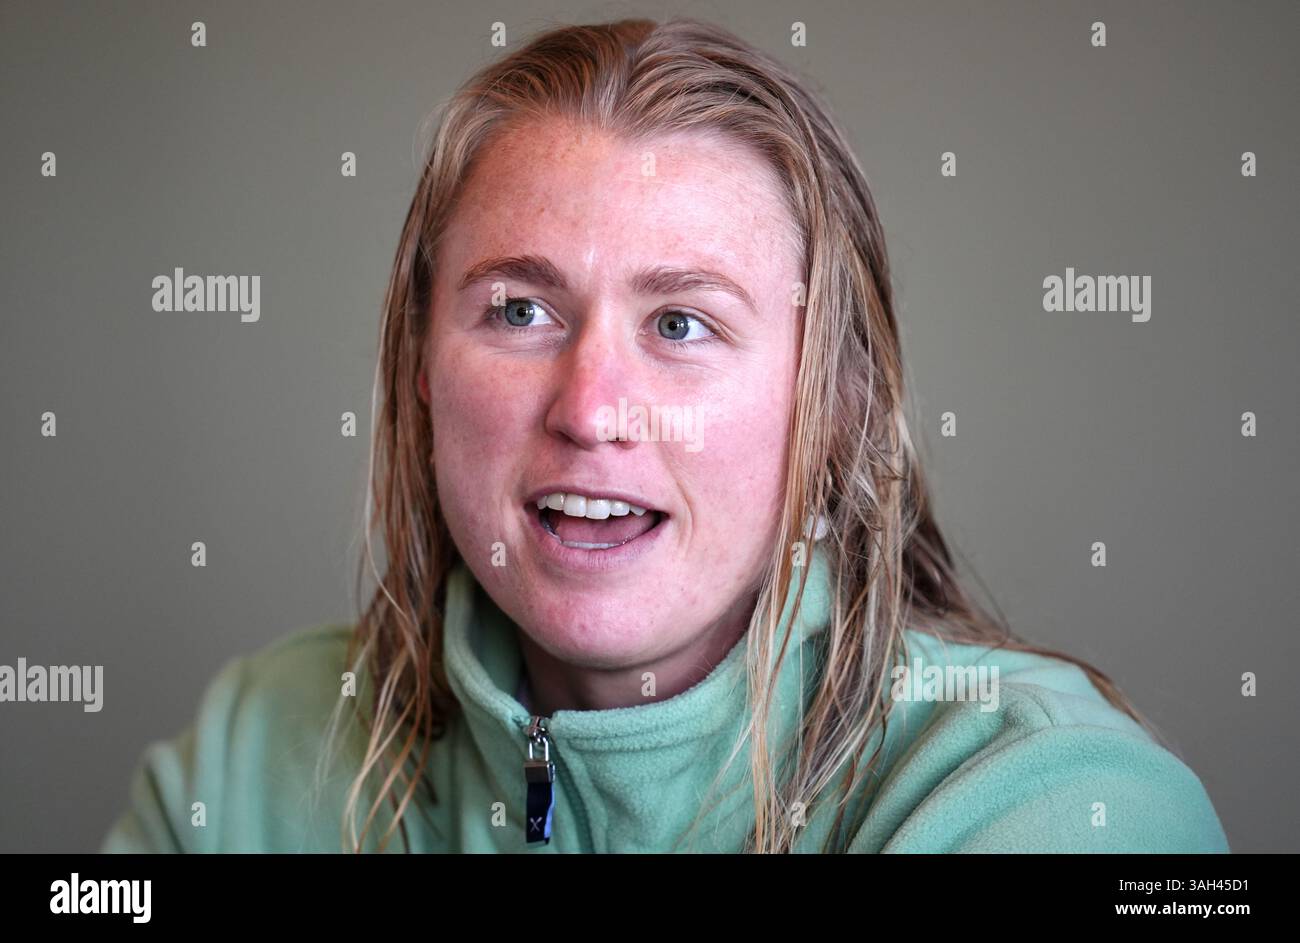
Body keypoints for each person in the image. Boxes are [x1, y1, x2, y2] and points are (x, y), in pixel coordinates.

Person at [100, 17, 1229, 854]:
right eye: (519, 311)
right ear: (418, 376)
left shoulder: (1055, 802)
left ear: (831, 406)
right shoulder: (256, 758)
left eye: (681, 323)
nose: (592, 409)